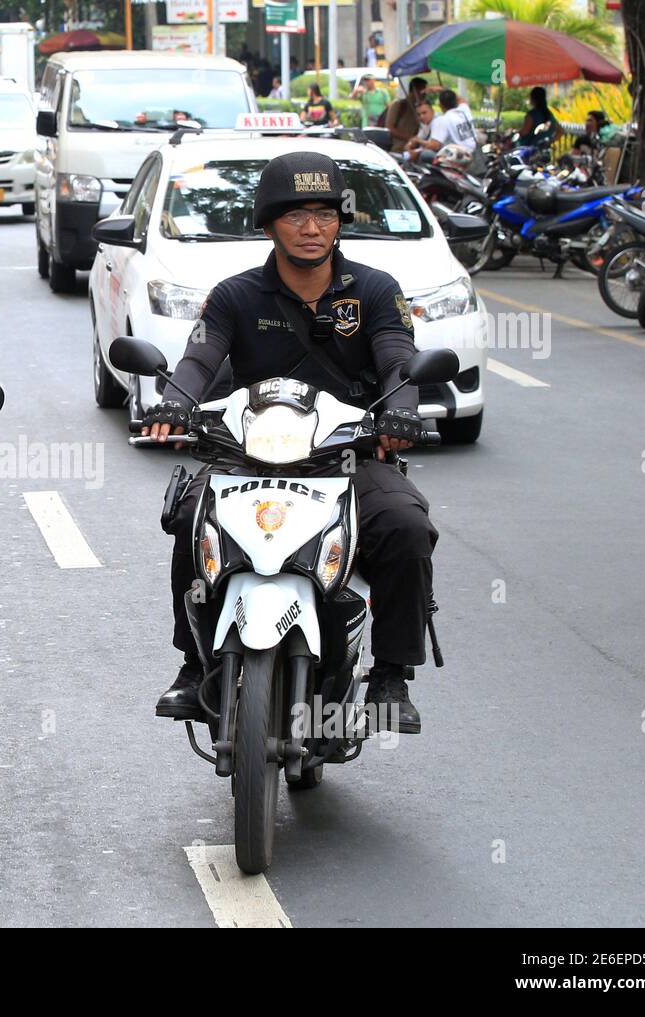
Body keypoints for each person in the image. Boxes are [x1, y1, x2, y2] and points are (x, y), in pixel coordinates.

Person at [143, 151, 437, 733]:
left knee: (405, 526)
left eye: (325, 215)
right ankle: (190, 661)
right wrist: (176, 400)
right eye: (296, 215)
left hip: (345, 454)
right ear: (269, 222)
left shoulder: (376, 292)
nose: (312, 229)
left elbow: (399, 361)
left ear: (340, 221)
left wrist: (401, 415)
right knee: (189, 518)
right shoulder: (233, 295)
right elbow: (201, 355)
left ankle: (391, 677)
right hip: (247, 454)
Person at [385, 77, 428, 154]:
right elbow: (390, 127)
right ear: (414, 90)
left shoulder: (424, 108)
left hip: (417, 152)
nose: (424, 94)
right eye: (422, 91)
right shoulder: (399, 105)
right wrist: (410, 138)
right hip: (398, 150)